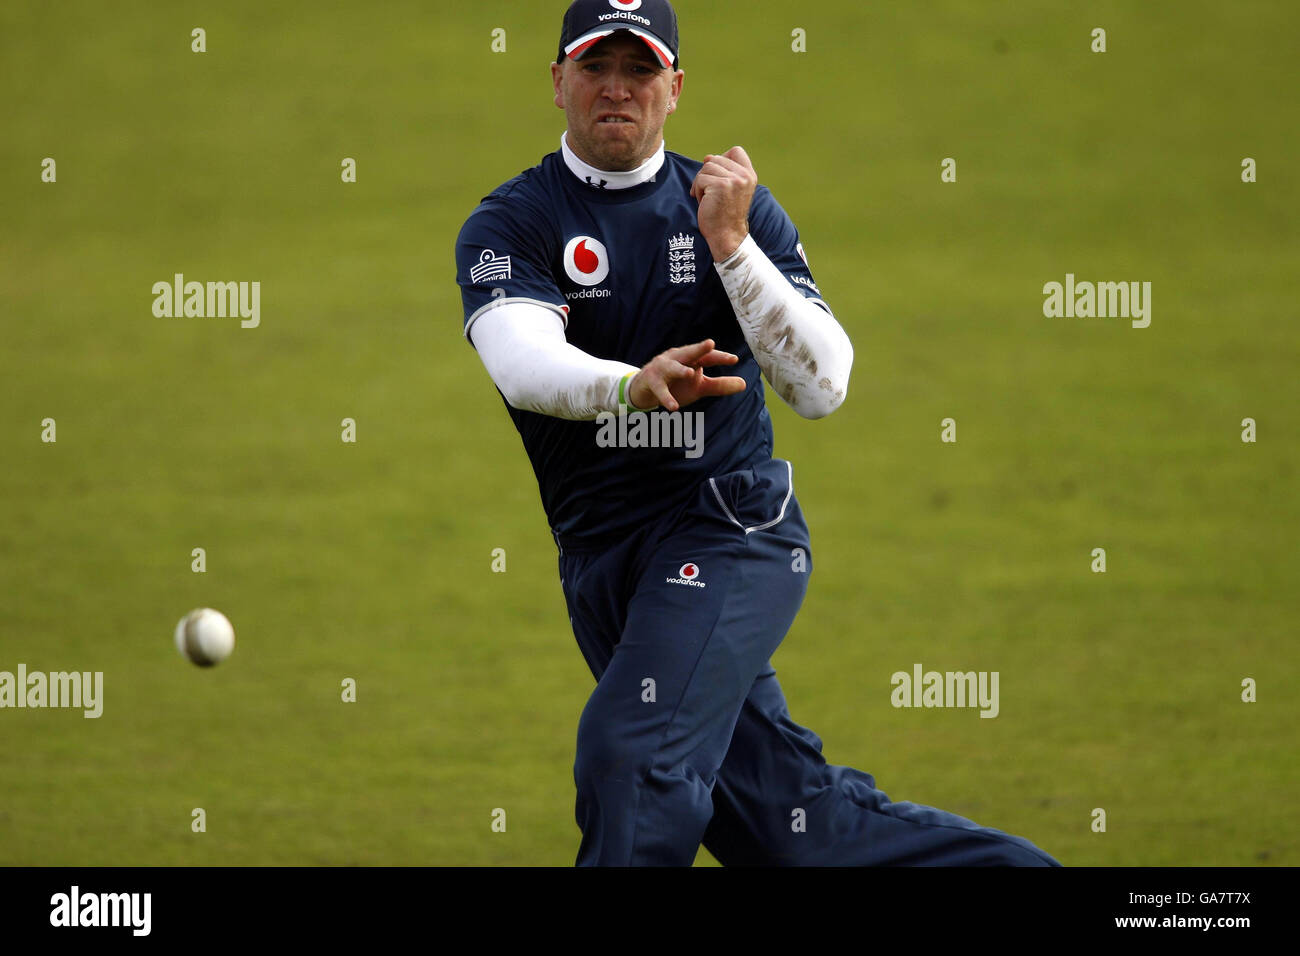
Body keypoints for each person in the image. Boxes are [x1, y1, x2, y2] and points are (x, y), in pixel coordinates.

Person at [455, 0, 1059, 867]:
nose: (617, 90)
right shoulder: (513, 221)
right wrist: (630, 385)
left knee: (631, 758)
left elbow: (822, 386)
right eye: (595, 68)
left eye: (641, 70)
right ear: (557, 83)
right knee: (794, 833)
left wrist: (733, 246)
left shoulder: (730, 209)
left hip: (729, 532)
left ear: (675, 89)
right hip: (602, 563)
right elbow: (522, 361)